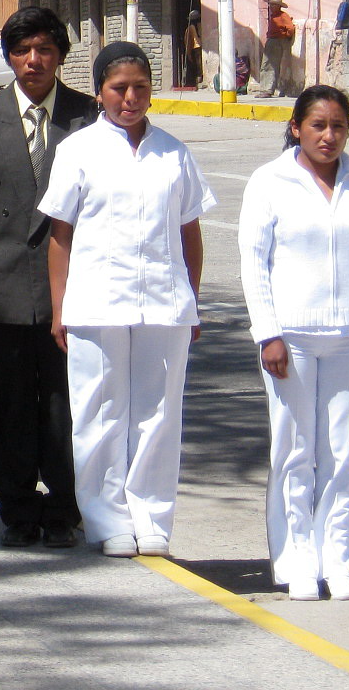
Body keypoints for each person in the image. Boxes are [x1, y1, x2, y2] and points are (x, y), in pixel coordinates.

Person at [40, 41, 214, 559]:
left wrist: (192, 300)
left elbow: (190, 232)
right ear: (100, 92)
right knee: (99, 413)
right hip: (96, 302)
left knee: (159, 415)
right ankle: (106, 520)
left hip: (165, 303)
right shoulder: (79, 150)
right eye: (119, 88)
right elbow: (60, 236)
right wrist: (60, 307)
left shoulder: (173, 152)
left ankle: (151, 518)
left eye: (140, 87)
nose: (130, 98)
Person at [240, 84, 349, 601]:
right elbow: (254, 264)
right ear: (296, 128)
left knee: (343, 454)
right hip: (292, 338)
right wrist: (269, 333)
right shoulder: (270, 181)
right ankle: (297, 560)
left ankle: (339, 560)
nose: (329, 136)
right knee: (294, 451)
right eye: (318, 126)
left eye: (338, 126)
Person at [0, 6, 93, 550]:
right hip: (7, 280)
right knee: (8, 401)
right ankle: (16, 507)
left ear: (60, 55)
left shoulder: (88, 115)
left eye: (44, 49)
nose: (33, 61)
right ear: (8, 57)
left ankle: (65, 507)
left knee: (67, 402)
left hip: (74, 283)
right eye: (21, 51)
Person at [261, 0, 297, 97]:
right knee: (265, 65)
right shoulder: (273, 16)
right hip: (271, 40)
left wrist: (285, 36)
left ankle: (268, 90)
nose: (271, 7)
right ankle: (264, 89)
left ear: (278, 6)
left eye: (273, 5)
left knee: (271, 65)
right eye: (271, 5)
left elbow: (290, 28)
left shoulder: (283, 16)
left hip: (277, 41)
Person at [182, 10, 203, 89]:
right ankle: (198, 81)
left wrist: (188, 52)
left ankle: (197, 83)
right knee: (199, 66)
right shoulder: (200, 25)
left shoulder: (190, 28)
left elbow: (188, 40)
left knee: (197, 67)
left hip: (195, 48)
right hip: (200, 47)